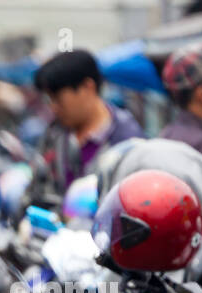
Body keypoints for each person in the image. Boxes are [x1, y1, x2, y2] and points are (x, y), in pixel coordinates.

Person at [32, 50, 143, 199]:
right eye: (50, 100)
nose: (53, 107)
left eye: (58, 99)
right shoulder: (54, 134)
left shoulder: (127, 139)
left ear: (87, 87)